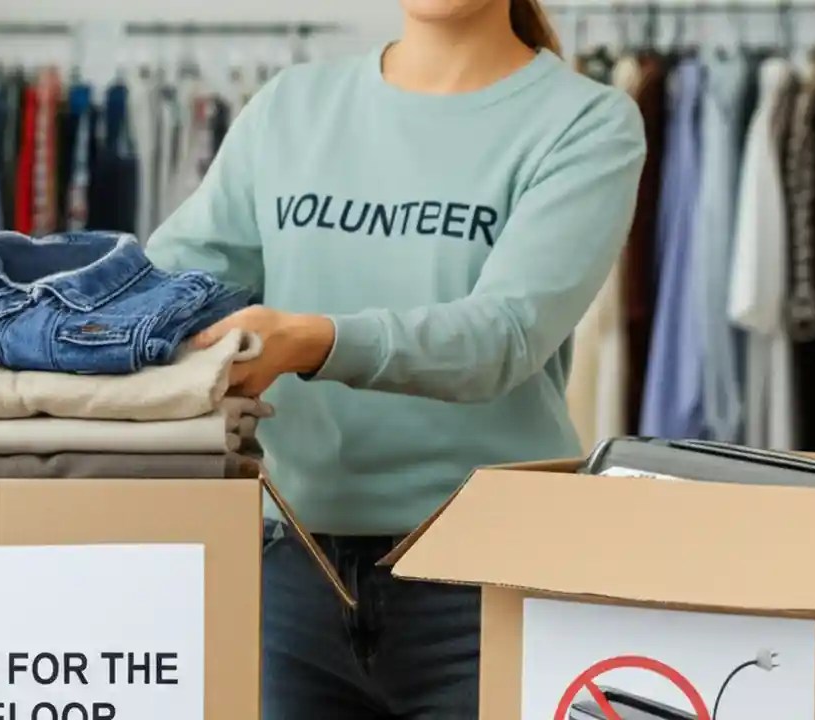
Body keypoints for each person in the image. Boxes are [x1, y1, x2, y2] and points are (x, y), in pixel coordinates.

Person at [145, 0, 647, 716]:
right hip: (290, 575)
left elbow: (501, 338)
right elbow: (169, 286)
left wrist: (312, 341)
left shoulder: (586, 122)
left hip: (490, 578)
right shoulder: (291, 107)